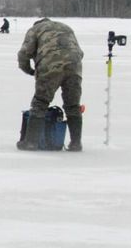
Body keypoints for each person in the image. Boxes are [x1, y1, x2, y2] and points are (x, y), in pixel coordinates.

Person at [17, 18, 83, 151]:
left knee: (40, 102)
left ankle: (30, 143)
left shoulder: (35, 29)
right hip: (74, 66)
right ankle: (76, 143)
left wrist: (30, 71)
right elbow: (80, 52)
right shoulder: (66, 27)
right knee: (73, 105)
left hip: (50, 66)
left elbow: (24, 54)